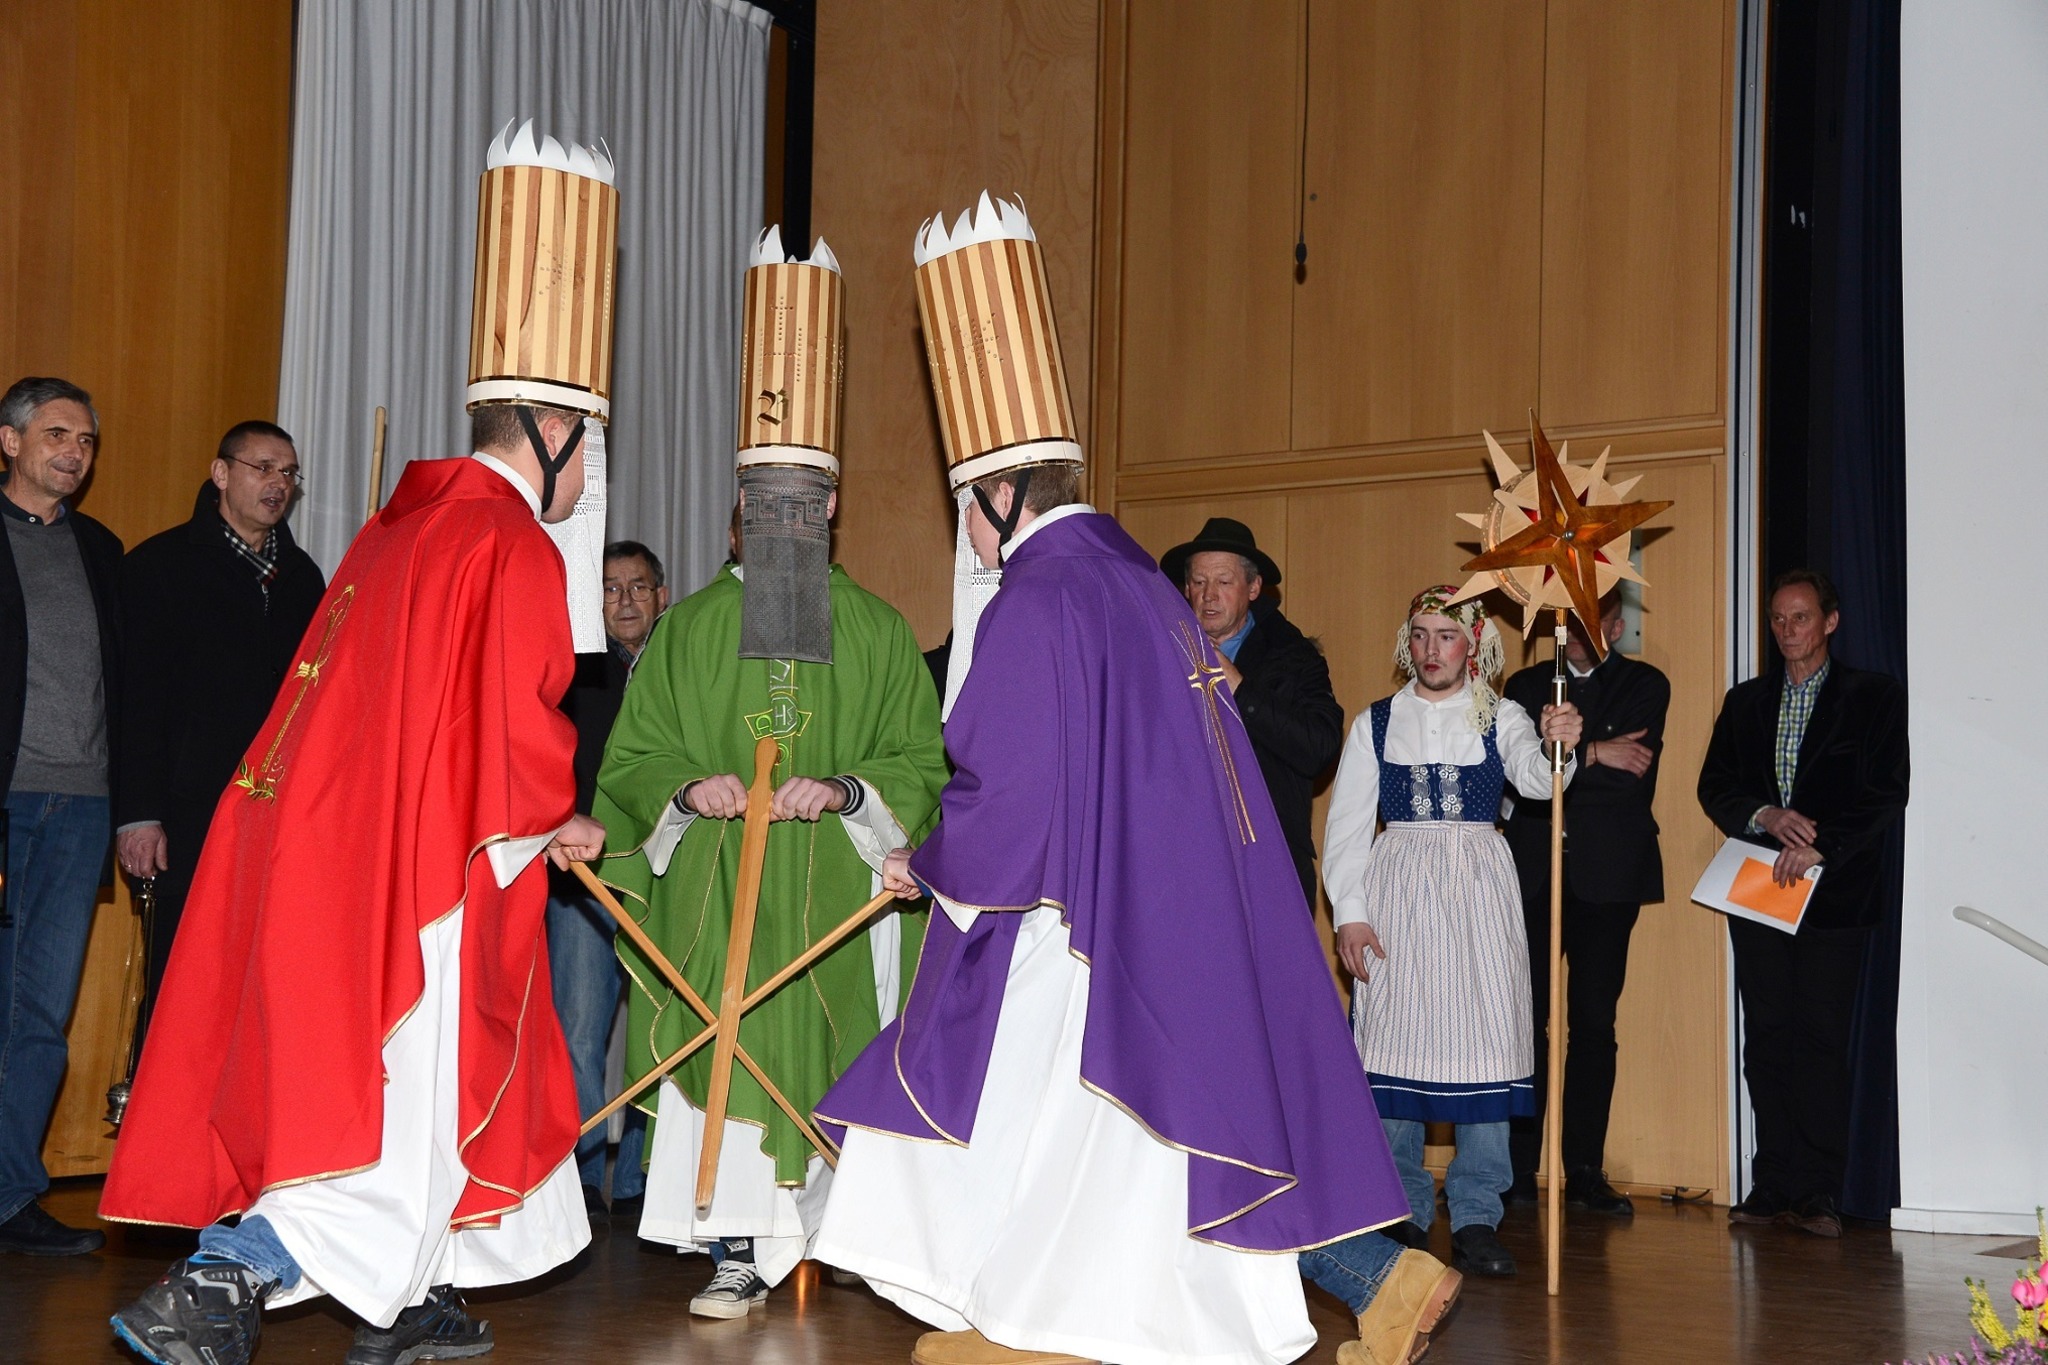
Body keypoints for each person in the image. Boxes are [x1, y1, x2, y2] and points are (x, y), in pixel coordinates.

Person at [811, 194, 1451, 1365]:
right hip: (1167, 898)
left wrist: (929, 860)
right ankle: (1375, 1281)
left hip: (1082, 918)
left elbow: (1007, 777)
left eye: (967, 511)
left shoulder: (1041, 594)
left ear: (999, 496)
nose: (968, 538)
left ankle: (1034, 1323)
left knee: (1073, 1119)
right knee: (1154, 1136)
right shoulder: (1134, 582)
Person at [104, 122, 620, 1365]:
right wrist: (552, 814)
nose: (589, 478)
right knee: (396, 1113)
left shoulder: (401, 528)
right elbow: (512, 716)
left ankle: (410, 1305)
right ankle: (221, 1280)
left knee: (409, 1103)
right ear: (552, 430)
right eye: (589, 447)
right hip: (423, 874)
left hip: (331, 846)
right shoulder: (503, 540)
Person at [594, 227, 949, 1319]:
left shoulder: (878, 630)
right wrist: (683, 788)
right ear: (740, 506)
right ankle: (739, 1247)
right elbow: (632, 755)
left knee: (844, 1043)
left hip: (836, 892)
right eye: (763, 499)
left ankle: (850, 1234)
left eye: (802, 499)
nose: (782, 517)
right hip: (718, 894)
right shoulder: (688, 628)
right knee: (731, 1048)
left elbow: (921, 759)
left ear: (830, 506)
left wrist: (845, 793)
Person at [1323, 586, 1585, 1279]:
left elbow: (1539, 781)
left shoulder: (1501, 715)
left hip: (1478, 893)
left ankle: (1475, 1214)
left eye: (1445, 635)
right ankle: (1402, 1207)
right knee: (1396, 1035)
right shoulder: (1376, 722)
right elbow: (1347, 826)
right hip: (1398, 893)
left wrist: (1558, 744)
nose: (1429, 649)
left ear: (1473, 644)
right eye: (1419, 634)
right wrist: (1350, 911)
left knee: (1485, 1040)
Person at [1697, 568, 1908, 1239]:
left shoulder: (1873, 696)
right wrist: (1762, 813)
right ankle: (1772, 1183)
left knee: (1820, 1041)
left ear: (1831, 622)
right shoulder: (1745, 702)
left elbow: (1887, 791)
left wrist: (1824, 845)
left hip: (1835, 895)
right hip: (1760, 890)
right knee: (1766, 1039)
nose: (1788, 630)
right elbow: (1714, 785)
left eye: (1801, 617)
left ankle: (1819, 1190)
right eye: (1778, 618)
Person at [114, 421, 326, 1040]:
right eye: (263, 468)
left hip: (276, 817)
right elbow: (136, 703)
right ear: (221, 474)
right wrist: (139, 814)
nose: (278, 483)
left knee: (263, 983)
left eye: (289, 473)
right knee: (182, 982)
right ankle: (161, 1102)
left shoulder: (305, 579)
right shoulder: (158, 567)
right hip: (186, 816)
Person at [0, 375, 123, 1258]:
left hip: (81, 808)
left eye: (84, 440)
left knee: (41, 1012)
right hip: (6, 797)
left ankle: (12, 1193)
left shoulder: (101, 549)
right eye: (56, 434)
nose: (74, 452)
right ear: (10, 442)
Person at [1502, 591, 1667, 1216]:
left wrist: (1569, 762)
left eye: (1589, 621)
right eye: (1566, 619)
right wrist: (1597, 750)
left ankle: (1586, 1171)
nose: (1573, 631)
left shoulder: (1645, 684)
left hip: (1607, 876)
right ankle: (1518, 1171)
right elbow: (1521, 778)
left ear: (1615, 627)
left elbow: (1631, 779)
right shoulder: (1524, 687)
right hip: (1531, 874)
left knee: (1594, 1024)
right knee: (1525, 1024)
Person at [547, 540, 668, 1223]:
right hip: (582, 884)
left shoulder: (683, 666)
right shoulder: (570, 669)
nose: (624, 600)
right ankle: (585, 1177)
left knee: (660, 1029)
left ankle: (644, 1181)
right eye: (610, 588)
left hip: (662, 875)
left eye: (638, 586)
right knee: (579, 1031)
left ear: (662, 596)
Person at [1160, 518, 1342, 907]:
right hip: (1178, 863)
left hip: (1268, 866)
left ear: (1254, 587)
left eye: (1224, 582)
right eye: (1198, 582)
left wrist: (1239, 687)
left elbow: (1318, 746)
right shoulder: (1158, 653)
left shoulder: (1293, 656)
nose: (1208, 595)